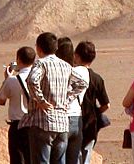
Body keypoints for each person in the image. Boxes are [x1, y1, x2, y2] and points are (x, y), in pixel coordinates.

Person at [25, 33, 87, 164]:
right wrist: (67, 99)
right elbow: (82, 83)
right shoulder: (65, 66)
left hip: (43, 122)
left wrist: (41, 100)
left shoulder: (41, 63)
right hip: (62, 123)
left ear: (39, 48)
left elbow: (31, 80)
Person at [0, 48, 35, 164]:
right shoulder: (38, 77)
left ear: (18, 59)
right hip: (35, 125)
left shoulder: (12, 80)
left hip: (17, 126)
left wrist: (7, 79)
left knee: (17, 159)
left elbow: (0, 100)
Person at [74, 43, 109, 164]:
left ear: (77, 56)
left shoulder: (72, 75)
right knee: (86, 155)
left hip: (74, 120)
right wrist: (96, 112)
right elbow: (106, 105)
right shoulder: (97, 78)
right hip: (90, 123)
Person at [58, 41, 85, 164]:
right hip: (77, 117)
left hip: (62, 118)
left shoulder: (59, 72)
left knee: (59, 158)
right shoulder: (80, 72)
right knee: (73, 159)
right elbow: (82, 84)